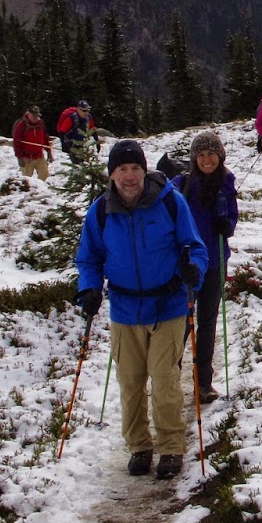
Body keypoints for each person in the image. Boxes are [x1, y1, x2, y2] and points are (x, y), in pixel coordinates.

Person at [74, 139, 207, 479]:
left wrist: (195, 268)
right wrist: (88, 288)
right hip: (124, 309)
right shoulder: (101, 210)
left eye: (135, 168)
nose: (130, 176)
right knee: (131, 383)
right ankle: (139, 447)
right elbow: (89, 258)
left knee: (164, 382)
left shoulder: (170, 202)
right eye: (122, 169)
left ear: (144, 170)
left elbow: (194, 246)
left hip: (168, 305)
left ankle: (171, 448)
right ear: (112, 174)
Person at [174, 130, 238, 403]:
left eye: (211, 154)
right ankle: (170, 377)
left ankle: (204, 382)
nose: (206, 159)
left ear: (220, 156)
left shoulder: (226, 184)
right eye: (200, 155)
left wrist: (228, 227)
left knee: (207, 323)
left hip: (215, 261)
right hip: (188, 264)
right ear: (194, 159)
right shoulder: (183, 185)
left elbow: (232, 217)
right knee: (181, 323)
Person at [12, 105, 53, 180]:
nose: (35, 118)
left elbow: (45, 138)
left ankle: (40, 189)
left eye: (37, 116)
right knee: (27, 179)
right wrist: (19, 157)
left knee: (44, 175)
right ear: (28, 114)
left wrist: (49, 152)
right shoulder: (21, 125)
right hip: (26, 157)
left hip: (39, 155)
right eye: (33, 115)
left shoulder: (40, 123)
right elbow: (16, 142)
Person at [58, 100, 99, 165]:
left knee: (83, 160)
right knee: (76, 162)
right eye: (84, 111)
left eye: (87, 110)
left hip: (82, 142)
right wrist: (63, 144)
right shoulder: (71, 118)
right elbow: (62, 132)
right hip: (71, 143)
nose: (86, 113)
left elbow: (92, 129)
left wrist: (97, 142)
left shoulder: (89, 117)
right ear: (78, 109)